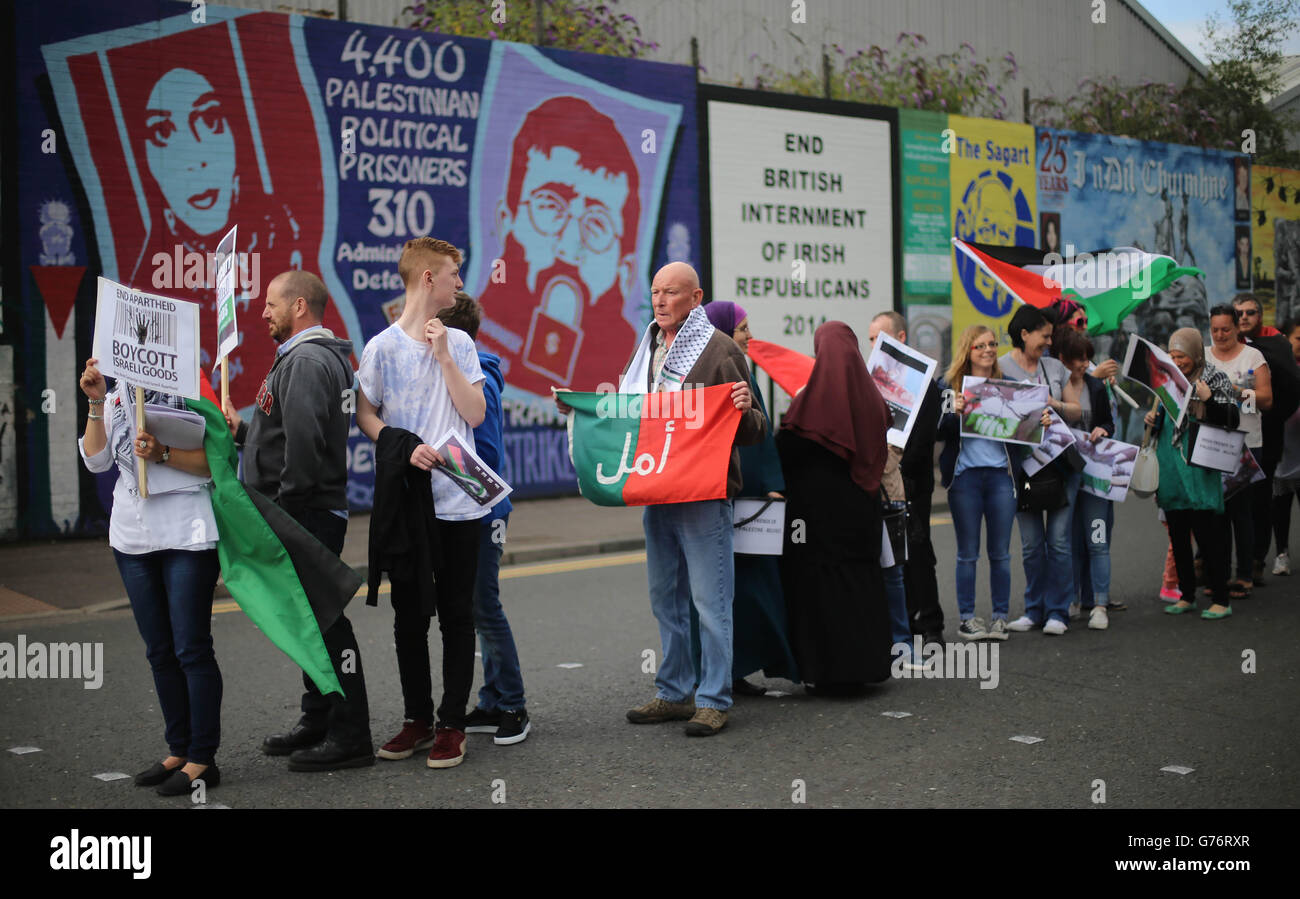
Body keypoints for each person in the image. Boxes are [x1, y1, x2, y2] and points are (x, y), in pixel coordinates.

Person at [559, 263, 763, 736]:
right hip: (658, 489)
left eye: (671, 293)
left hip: (705, 492)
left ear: (696, 298)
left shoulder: (720, 349)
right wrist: (581, 410)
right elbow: (633, 414)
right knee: (665, 598)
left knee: (710, 601)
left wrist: (745, 409)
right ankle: (674, 692)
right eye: (655, 292)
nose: (660, 300)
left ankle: (713, 699)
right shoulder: (646, 347)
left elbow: (755, 432)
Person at [223, 270, 373, 771]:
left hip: (303, 511)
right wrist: (245, 432)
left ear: (300, 307)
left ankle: (352, 736)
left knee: (327, 623)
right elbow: (286, 434)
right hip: (303, 507)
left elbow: (306, 446)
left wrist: (285, 511)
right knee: (310, 622)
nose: (263, 312)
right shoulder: (303, 357)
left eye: (271, 304)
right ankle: (320, 719)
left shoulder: (306, 361)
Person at [356, 238, 488, 767]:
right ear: (428, 278)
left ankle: (451, 724)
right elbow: (366, 414)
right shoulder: (380, 347)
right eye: (454, 273)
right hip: (409, 500)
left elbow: (475, 414)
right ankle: (416, 719)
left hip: (461, 498)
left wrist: (445, 357)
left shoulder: (460, 342)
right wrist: (401, 446)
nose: (461, 282)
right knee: (409, 615)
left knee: (458, 614)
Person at [78, 360, 223, 796]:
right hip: (132, 538)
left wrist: (162, 453)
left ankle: (202, 757)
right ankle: (178, 749)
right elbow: (97, 461)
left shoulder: (189, 387)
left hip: (186, 532)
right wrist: (97, 401)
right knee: (159, 651)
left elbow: (217, 463)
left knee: (191, 648)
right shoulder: (119, 393)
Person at [475, 96, 642, 397]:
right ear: (505, 221)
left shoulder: (639, 377)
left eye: (597, 224)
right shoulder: (467, 345)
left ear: (625, 271)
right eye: (550, 207)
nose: (568, 246)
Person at [686, 301, 800, 695]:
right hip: (728, 497)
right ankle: (721, 675)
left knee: (748, 590)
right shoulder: (721, 372)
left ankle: (733, 671)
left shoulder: (737, 369)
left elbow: (759, 435)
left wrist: (771, 482)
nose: (749, 336)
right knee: (723, 590)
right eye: (742, 329)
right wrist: (767, 481)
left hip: (748, 499)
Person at [436, 292, 531, 745]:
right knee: (475, 607)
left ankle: (514, 704)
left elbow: (486, 455)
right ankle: (492, 701)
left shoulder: (481, 382)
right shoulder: (460, 373)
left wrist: (440, 459)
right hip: (467, 508)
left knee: (484, 607)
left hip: (483, 510)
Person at [777, 321, 893, 687]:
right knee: (862, 584)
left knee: (821, 590)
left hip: (816, 518)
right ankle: (866, 668)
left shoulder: (809, 401)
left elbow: (787, 451)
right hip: (862, 510)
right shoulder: (873, 399)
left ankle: (825, 672)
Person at [938, 326, 1025, 640]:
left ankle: (1000, 617)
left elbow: (1025, 435)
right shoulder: (949, 386)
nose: (988, 350)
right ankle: (967, 618)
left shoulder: (1009, 386)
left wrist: (1036, 421)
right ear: (968, 351)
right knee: (967, 553)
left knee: (1001, 553)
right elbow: (939, 431)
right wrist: (954, 412)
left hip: (1001, 477)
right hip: (966, 479)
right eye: (980, 346)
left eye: (991, 344)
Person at [1000, 304, 1083, 635]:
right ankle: (1034, 610)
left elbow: (1076, 410)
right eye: (1044, 335)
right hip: (1023, 468)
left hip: (1061, 465)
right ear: (1024, 334)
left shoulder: (1054, 367)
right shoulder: (1001, 366)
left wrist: (1055, 405)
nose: (1049, 342)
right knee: (1033, 544)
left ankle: (1058, 612)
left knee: (1059, 541)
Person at [1146, 329, 1235, 619]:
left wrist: (1209, 400)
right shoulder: (1167, 380)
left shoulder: (1215, 377)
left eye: (1181, 356)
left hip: (1199, 462)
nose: (1176, 361)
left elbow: (1232, 418)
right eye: (1171, 357)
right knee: (1178, 533)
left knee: (1208, 534)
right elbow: (1165, 421)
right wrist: (1153, 419)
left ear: (1196, 353)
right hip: (1171, 463)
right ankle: (1186, 595)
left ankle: (1221, 597)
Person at [868, 311, 945, 646]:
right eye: (869, 339)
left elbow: (924, 438)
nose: (872, 345)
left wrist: (895, 464)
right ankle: (906, 619)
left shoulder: (923, 382)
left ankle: (931, 623)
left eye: (878, 338)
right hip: (885, 480)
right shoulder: (874, 379)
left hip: (912, 479)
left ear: (899, 338)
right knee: (893, 555)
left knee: (918, 549)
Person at [1233, 292, 1300, 580]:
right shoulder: (1227, 348)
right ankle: (1216, 562)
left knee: (1262, 499)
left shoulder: (1275, 345)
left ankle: (1257, 560)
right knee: (1228, 499)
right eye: (1239, 313)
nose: (1244, 317)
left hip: (1268, 435)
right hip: (1232, 435)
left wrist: (1271, 417)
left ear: (1260, 317)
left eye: (1250, 312)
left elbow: (1291, 386)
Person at [1207, 304, 1272, 598]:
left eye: (1226, 330)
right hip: (1211, 443)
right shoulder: (1205, 357)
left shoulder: (1252, 357)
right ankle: (1216, 575)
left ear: (1236, 329)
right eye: (1215, 330)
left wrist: (1235, 391)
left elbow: (1267, 399)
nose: (1220, 335)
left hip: (1246, 442)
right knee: (1214, 514)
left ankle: (1244, 574)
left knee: (1242, 513)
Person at [1057, 329, 1117, 630]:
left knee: (1097, 538)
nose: (1084, 365)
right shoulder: (1054, 386)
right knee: (1066, 540)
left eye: (1086, 359)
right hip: (1064, 473)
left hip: (1095, 472)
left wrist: (1103, 430)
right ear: (1062, 359)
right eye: (1077, 360)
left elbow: (1109, 421)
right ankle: (1071, 599)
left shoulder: (1095, 386)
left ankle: (1100, 603)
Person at [1270, 317, 1300, 575]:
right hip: (1283, 449)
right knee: (1281, 506)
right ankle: (1282, 553)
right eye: (1298, 339)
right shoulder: (1278, 368)